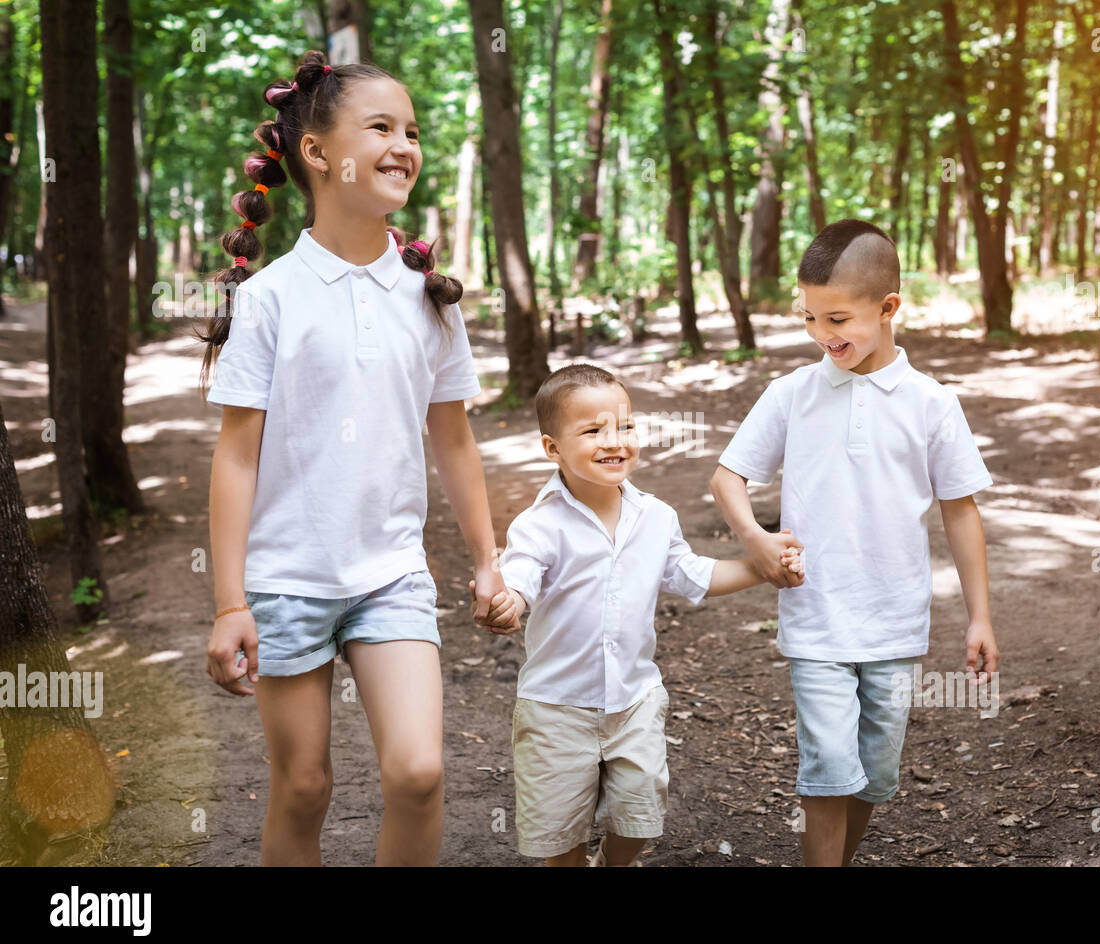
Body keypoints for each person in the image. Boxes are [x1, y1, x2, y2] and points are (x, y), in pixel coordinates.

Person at [200, 50, 510, 866]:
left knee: (418, 772)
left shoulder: (430, 299)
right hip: (286, 581)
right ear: (317, 153)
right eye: (381, 127)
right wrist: (231, 602)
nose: (405, 144)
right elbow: (236, 457)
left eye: (412, 130)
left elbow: (453, 438)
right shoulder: (268, 298)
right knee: (303, 786)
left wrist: (486, 561)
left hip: (392, 577)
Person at [709, 219, 998, 866]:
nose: (821, 334)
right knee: (829, 769)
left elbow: (960, 511)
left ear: (889, 308)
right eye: (809, 318)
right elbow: (727, 478)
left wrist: (979, 615)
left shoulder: (932, 403)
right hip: (816, 617)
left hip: (896, 623)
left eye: (837, 318)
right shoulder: (791, 394)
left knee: (873, 775)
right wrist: (756, 538)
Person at [474, 364, 801, 866]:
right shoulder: (539, 525)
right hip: (556, 709)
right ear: (552, 448)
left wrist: (763, 566)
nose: (615, 440)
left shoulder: (655, 516)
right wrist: (508, 601)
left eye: (624, 426)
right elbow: (520, 577)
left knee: (640, 818)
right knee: (560, 842)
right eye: (592, 430)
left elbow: (694, 574)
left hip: (635, 701)